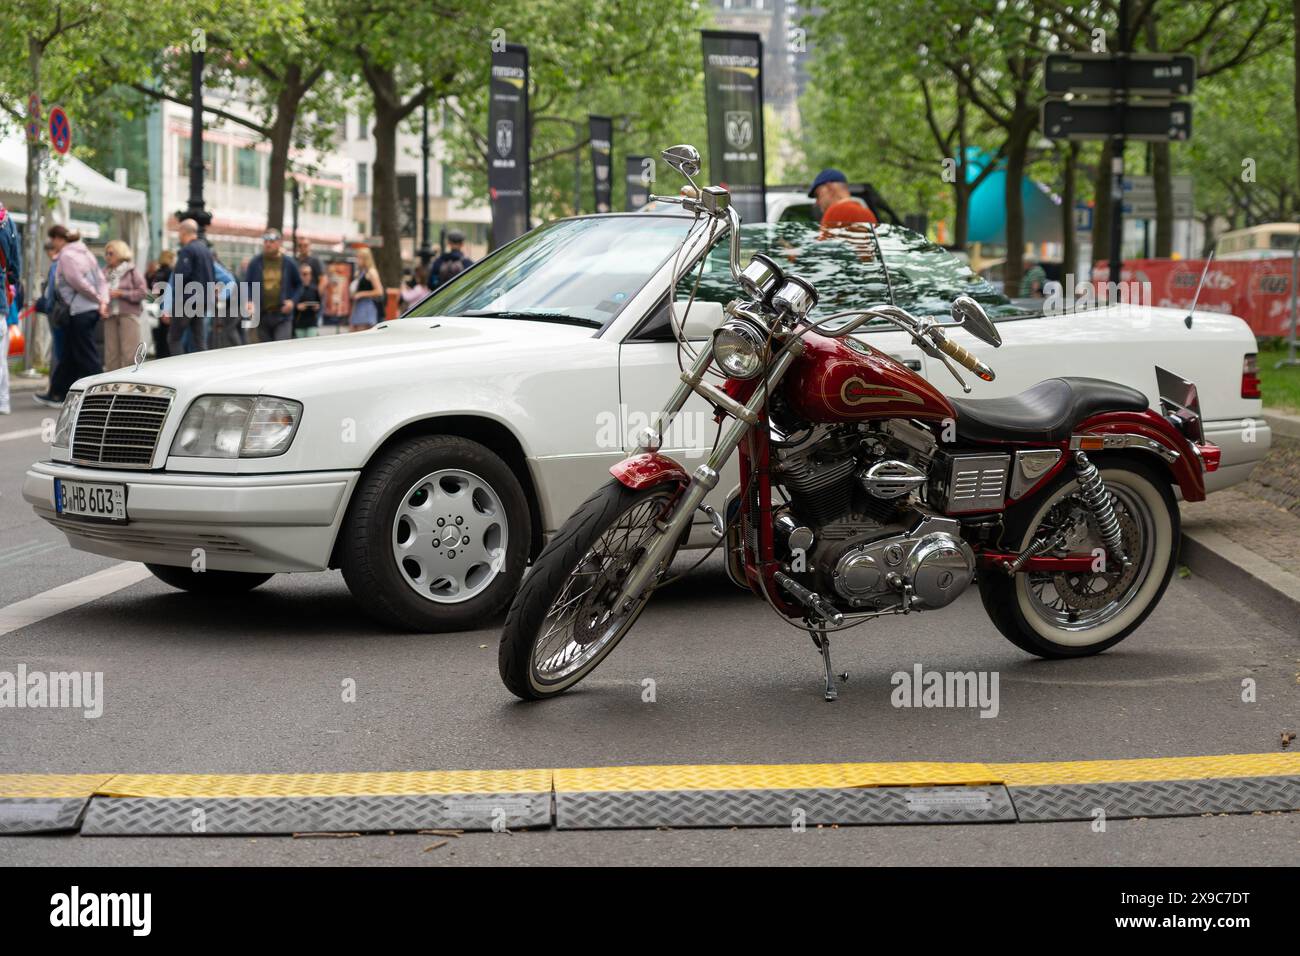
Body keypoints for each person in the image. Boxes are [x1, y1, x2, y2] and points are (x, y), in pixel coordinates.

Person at [35, 228, 105, 408]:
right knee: (71, 353)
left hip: (78, 310)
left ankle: (100, 393)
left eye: (53, 240)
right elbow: (101, 279)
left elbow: (77, 282)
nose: (53, 245)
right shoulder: (86, 253)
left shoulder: (66, 256)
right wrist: (102, 300)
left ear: (59, 239)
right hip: (88, 310)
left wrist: (96, 297)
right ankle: (58, 392)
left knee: (83, 353)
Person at [164, 219, 216, 355]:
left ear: (183, 232)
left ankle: (179, 370)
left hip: (187, 301)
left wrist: (173, 303)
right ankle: (204, 369)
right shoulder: (206, 250)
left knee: (174, 339)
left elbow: (180, 277)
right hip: (203, 301)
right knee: (199, 341)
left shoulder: (187, 250)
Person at [243, 228, 301, 341]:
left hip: (282, 316)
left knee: (281, 349)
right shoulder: (255, 262)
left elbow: (299, 285)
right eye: (265, 241)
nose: (268, 244)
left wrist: (292, 302)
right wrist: (249, 301)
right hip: (262, 315)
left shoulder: (289, 263)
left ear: (279, 242)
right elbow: (247, 285)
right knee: (266, 351)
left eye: (272, 241)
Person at [101, 239, 147, 370]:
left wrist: (122, 294)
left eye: (111, 253)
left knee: (130, 354)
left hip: (128, 315)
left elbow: (143, 292)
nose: (107, 257)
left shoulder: (131, 271)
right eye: (106, 254)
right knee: (111, 354)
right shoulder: (104, 272)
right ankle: (111, 385)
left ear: (120, 253)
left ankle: (129, 385)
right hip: (110, 315)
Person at [0, 202, 20, 415]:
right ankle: (3, 401)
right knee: (0, 357)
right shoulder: (7, 221)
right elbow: (15, 267)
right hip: (0, 302)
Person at [808, 169, 878, 228]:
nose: (817, 202)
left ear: (830, 188)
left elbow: (823, 244)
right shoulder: (868, 213)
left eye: (817, 195)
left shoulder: (835, 212)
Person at [146, 249, 175, 359]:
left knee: (161, 333)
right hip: (168, 305)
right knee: (168, 334)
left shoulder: (158, 273)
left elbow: (154, 290)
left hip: (160, 303)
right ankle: (167, 356)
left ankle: (160, 355)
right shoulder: (170, 272)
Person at [210, 253, 242, 349]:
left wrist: (219, 296)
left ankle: (239, 351)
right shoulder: (225, 271)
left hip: (231, 307)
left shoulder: (220, 273)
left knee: (228, 331)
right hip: (233, 306)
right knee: (229, 331)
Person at [348, 247, 383, 332]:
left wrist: (361, 294)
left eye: (359, 257)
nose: (357, 260)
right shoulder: (361, 272)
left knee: (360, 335)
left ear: (365, 258)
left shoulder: (371, 272)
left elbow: (379, 291)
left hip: (366, 307)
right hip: (358, 307)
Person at [294, 262, 323, 337]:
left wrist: (317, 307)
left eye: (309, 274)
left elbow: (319, 304)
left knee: (312, 344)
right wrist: (297, 307)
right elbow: (290, 305)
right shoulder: (295, 289)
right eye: (304, 274)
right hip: (299, 323)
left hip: (312, 322)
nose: (307, 276)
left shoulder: (314, 289)